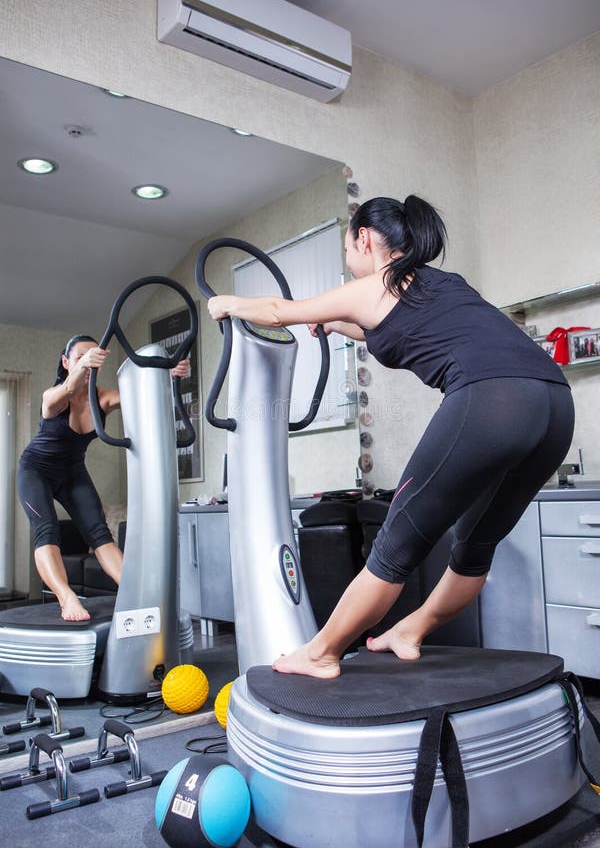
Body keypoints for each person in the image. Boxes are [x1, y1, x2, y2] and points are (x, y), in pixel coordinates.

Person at [207, 195, 574, 679]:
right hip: (553, 402)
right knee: (475, 543)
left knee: (396, 543)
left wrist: (226, 302)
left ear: (363, 238)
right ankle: (410, 630)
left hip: (492, 399)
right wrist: (338, 323)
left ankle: (320, 652)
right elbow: (386, 328)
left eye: (346, 249)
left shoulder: (375, 282)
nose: (348, 260)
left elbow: (277, 310)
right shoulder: (439, 282)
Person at [18, 334, 189, 622]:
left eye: (91, 357)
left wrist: (169, 374)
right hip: (36, 470)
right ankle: (66, 597)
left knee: (100, 535)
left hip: (73, 472)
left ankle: (137, 593)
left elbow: (143, 391)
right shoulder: (54, 396)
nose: (86, 363)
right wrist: (83, 366)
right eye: (79, 358)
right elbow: (69, 387)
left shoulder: (104, 397)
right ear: (66, 362)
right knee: (47, 530)